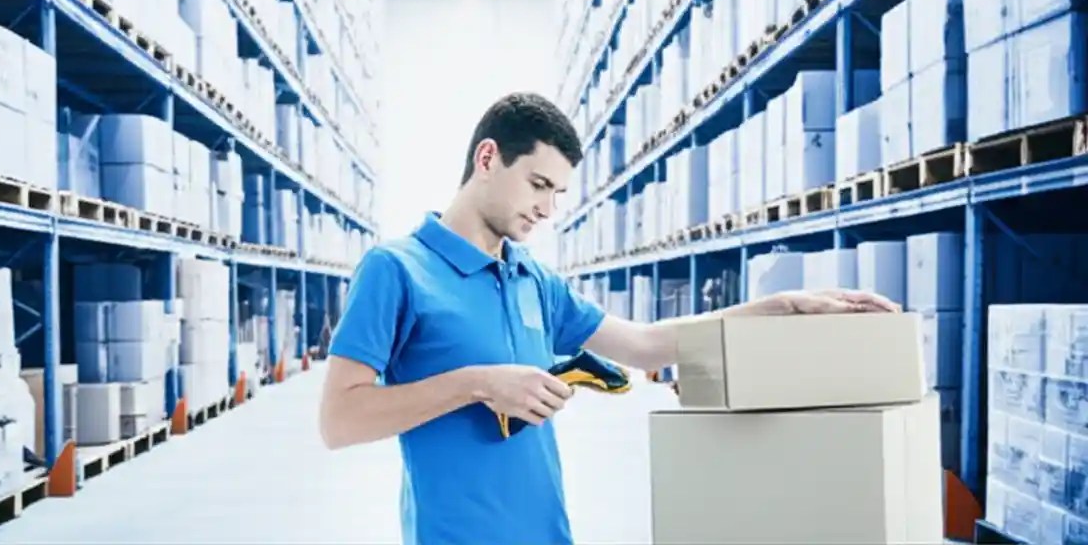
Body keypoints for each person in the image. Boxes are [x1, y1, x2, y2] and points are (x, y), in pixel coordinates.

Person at [317, 92, 898, 545]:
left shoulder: (532, 278)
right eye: (539, 184)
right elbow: (339, 420)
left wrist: (780, 307)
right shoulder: (396, 269)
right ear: (488, 158)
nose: (547, 208)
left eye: (559, 192)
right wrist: (479, 383)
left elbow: (645, 346)